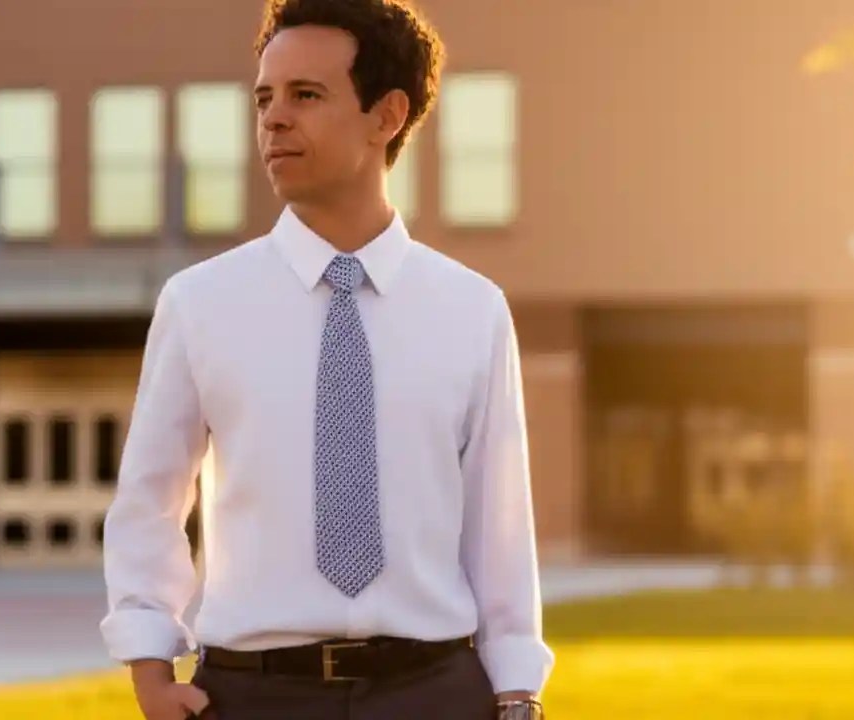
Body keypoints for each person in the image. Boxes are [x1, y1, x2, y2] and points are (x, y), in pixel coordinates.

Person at [100, 0, 553, 717]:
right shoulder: (200, 304)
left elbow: (499, 523)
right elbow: (150, 502)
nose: (274, 119)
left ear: (387, 115)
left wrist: (517, 689)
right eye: (264, 98)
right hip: (251, 695)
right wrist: (150, 668)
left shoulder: (473, 310)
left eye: (306, 95)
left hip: (433, 693)